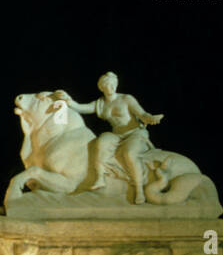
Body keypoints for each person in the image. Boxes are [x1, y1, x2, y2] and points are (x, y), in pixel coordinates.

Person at [53, 72, 164, 204]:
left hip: (134, 133)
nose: (111, 87)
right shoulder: (100, 103)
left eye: (113, 84)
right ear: (101, 87)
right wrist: (68, 99)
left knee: (129, 154)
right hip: (117, 135)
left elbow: (142, 114)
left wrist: (150, 118)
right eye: (107, 84)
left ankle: (139, 189)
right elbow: (81, 108)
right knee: (101, 141)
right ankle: (100, 178)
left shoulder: (126, 99)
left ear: (116, 85)